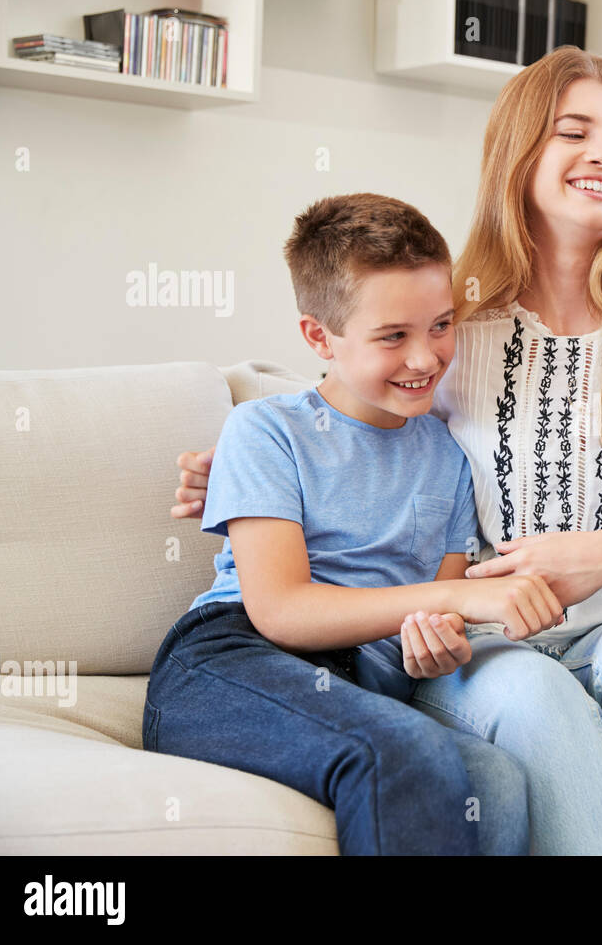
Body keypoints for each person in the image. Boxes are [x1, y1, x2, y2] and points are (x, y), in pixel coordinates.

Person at [171, 47, 602, 855]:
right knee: (531, 701)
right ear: (520, 154)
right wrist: (240, 472)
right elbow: (359, 404)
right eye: (575, 132)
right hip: (484, 642)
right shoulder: (462, 324)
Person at [147, 192, 564, 855]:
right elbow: (281, 609)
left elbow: (433, 618)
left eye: (440, 325)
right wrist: (454, 596)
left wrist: (438, 640)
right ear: (320, 337)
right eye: (393, 336)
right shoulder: (265, 430)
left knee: (499, 779)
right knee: (405, 750)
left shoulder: (451, 459)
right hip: (230, 663)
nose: (426, 358)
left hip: (360, 682)